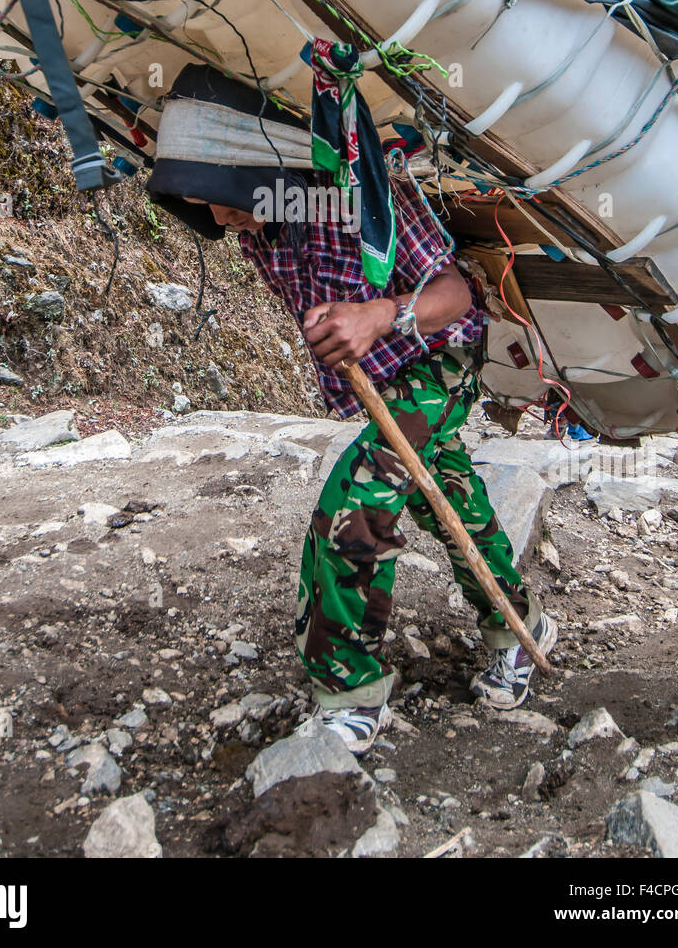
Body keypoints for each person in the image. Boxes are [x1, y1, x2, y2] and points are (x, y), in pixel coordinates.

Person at [147, 62, 557, 753]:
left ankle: (351, 691)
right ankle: (518, 627)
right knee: (449, 505)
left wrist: (378, 315)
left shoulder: (362, 192)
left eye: (221, 197)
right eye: (201, 204)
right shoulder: (258, 225)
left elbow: (456, 291)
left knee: (354, 505)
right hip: (383, 382)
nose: (219, 216)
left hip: (438, 360)